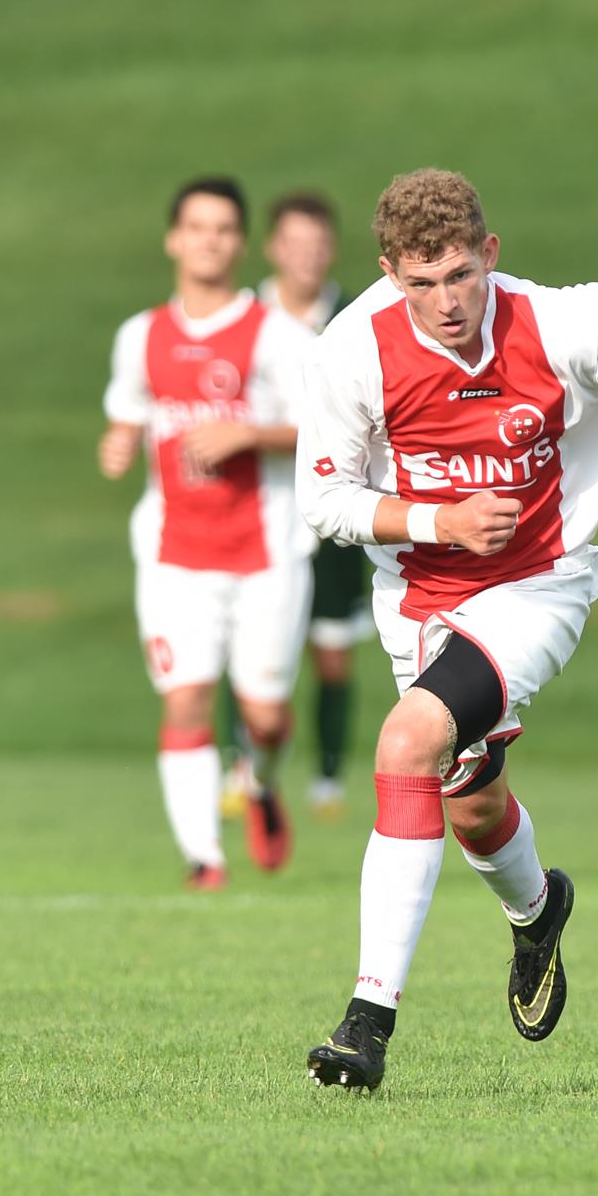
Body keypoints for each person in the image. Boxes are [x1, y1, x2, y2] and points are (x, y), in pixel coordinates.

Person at [294, 168, 598, 1090]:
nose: (446, 303)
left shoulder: (572, 324)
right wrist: (437, 522)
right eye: (421, 283)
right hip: (418, 596)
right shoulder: (352, 351)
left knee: (407, 739)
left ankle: (366, 1023)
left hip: (542, 582)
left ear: (490, 254)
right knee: (473, 804)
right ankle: (538, 912)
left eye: (460, 274)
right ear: (388, 273)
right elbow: (322, 500)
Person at [99, 177, 316, 890]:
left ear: (241, 243)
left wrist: (248, 432)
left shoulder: (278, 336)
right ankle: (205, 858)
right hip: (174, 552)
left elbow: (328, 429)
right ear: (173, 239)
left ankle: (257, 775)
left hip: (265, 550)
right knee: (186, 695)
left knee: (267, 712)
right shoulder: (141, 334)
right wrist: (119, 441)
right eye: (196, 227)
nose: (209, 240)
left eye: (224, 229)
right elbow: (130, 407)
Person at [255, 190, 374, 821]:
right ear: (273, 247)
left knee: (332, 651)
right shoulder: (245, 320)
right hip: (257, 509)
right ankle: (240, 765)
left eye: (319, 245)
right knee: (248, 646)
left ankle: (328, 780)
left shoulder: (354, 319)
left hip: (333, 505)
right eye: (295, 244)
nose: (308, 256)